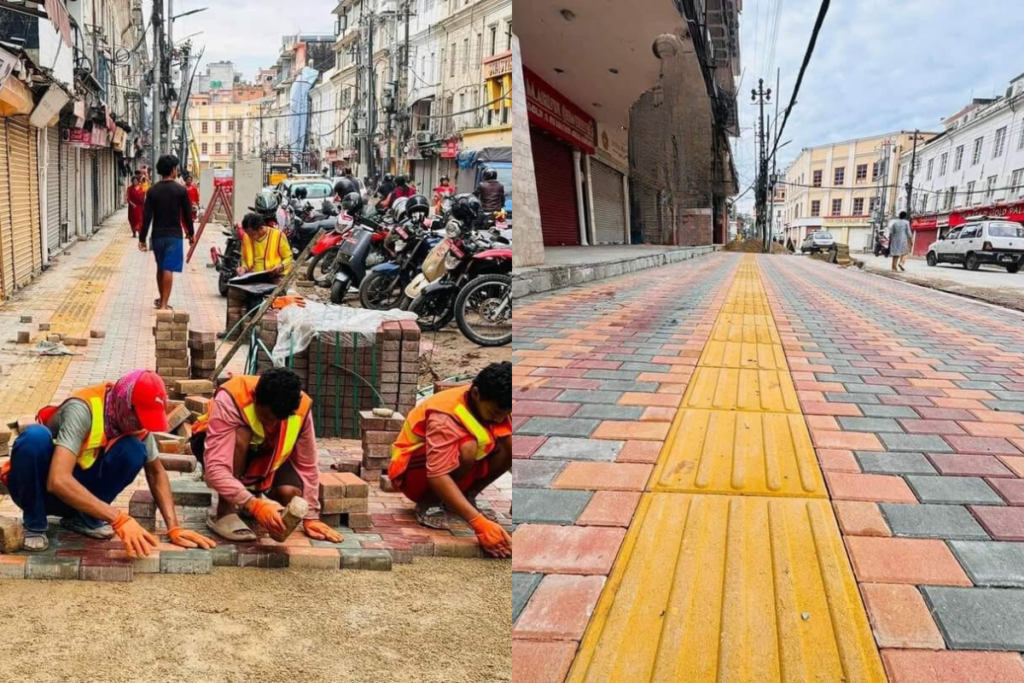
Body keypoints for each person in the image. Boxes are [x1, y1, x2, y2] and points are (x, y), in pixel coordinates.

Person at [0, 370, 217, 555]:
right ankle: (35, 525)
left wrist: (174, 527)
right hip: (38, 490)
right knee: (34, 438)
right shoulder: (83, 409)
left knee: (133, 450)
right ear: (124, 403)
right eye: (138, 418)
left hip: (78, 497)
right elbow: (57, 480)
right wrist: (118, 518)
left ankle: (83, 518)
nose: (140, 425)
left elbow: (156, 473)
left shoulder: (135, 423)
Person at [190, 368, 343, 543]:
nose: (272, 424)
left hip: (266, 456)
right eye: (268, 416)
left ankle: (248, 498)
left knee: (290, 493)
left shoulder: (299, 406)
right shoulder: (232, 396)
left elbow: (307, 465)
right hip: (217, 447)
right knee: (243, 433)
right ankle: (225, 511)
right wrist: (256, 506)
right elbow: (215, 469)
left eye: (279, 419)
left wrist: (311, 516)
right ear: (256, 399)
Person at [389, 362, 512, 558]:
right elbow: (437, 474)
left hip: (458, 468)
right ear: (476, 394)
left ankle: (466, 496)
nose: (498, 420)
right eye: (494, 414)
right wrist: (479, 525)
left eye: (503, 415)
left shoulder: (499, 401)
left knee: (512, 443)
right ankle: (429, 503)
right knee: (467, 447)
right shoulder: (444, 415)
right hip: (413, 475)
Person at [139, 154, 195, 310]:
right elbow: (187, 214)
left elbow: (147, 217)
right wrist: (191, 234)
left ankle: (162, 299)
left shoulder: (152, 191)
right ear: (173, 170)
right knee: (168, 268)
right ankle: (164, 304)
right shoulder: (180, 190)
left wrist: (142, 238)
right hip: (174, 235)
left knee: (160, 267)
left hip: (157, 236)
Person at [237, 212, 293, 279]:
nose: (249, 237)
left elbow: (288, 257)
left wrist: (281, 266)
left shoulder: (278, 236)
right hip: (253, 276)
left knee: (277, 286)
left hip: (275, 275)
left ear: (260, 228)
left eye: (252, 234)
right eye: (247, 234)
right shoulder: (246, 237)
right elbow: (245, 259)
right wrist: (243, 268)